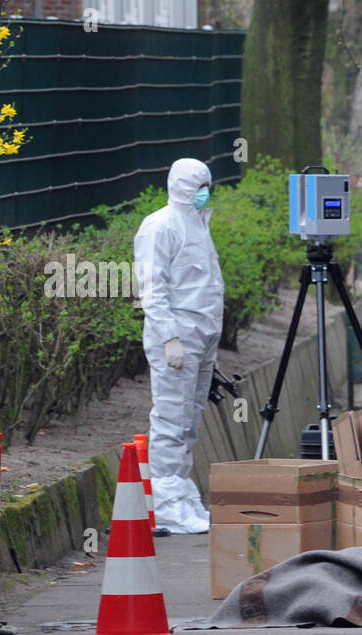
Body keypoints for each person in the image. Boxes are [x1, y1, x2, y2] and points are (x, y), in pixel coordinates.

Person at [134, 158, 224, 534]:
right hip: (177, 337)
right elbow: (151, 288)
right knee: (171, 421)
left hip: (201, 338)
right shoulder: (160, 226)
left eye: (208, 183)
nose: (206, 191)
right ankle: (168, 504)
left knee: (188, 423)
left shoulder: (199, 226)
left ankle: (183, 496)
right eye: (199, 184)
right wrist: (170, 338)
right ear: (184, 187)